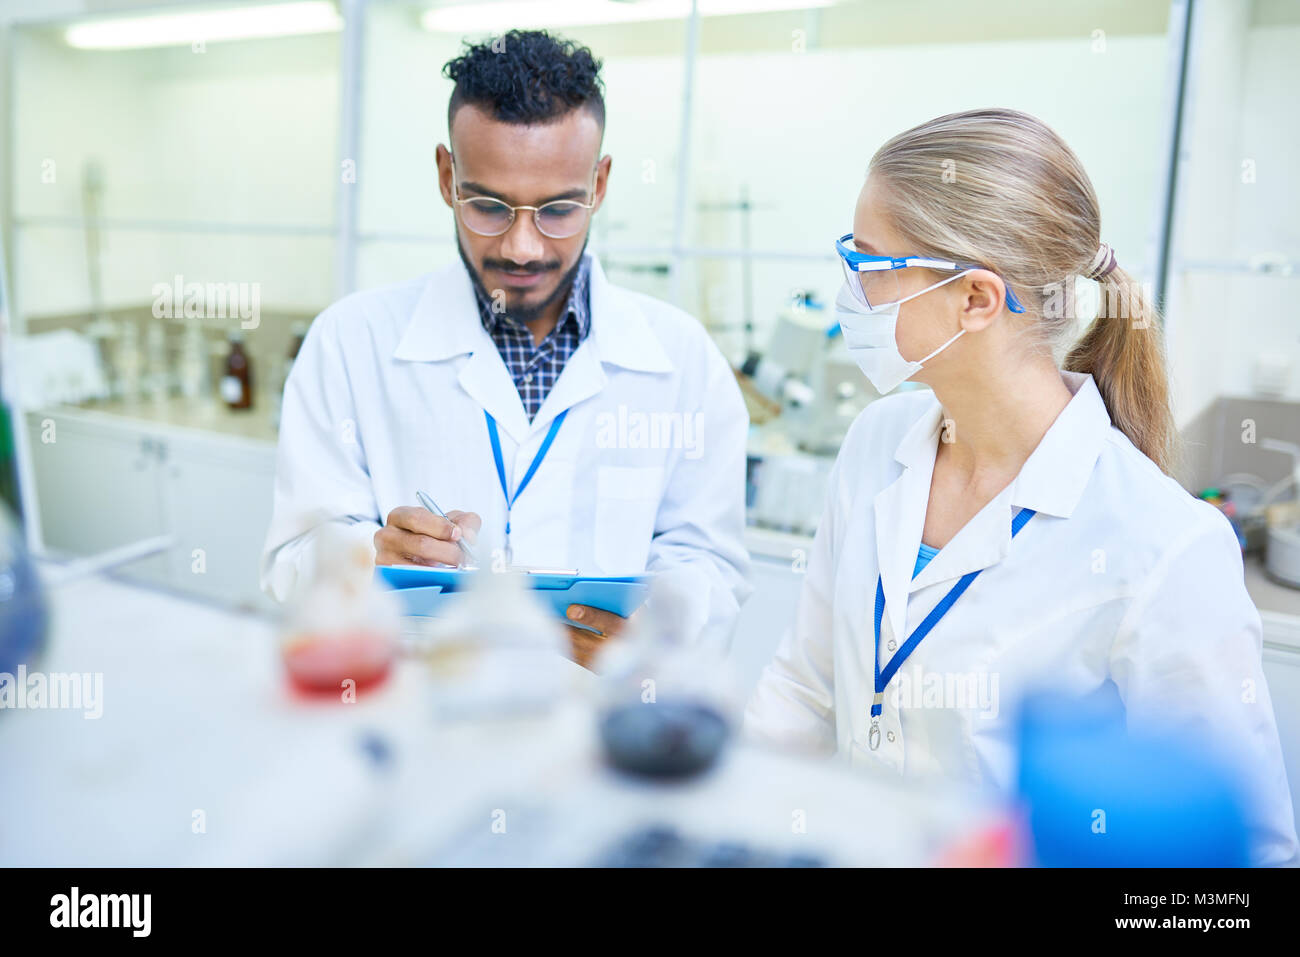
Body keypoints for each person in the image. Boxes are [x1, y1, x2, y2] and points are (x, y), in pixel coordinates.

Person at [743, 108, 1298, 866]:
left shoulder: (1162, 546)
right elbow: (806, 690)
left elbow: (1245, 861)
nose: (850, 292)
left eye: (868, 267)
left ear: (975, 298)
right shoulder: (875, 444)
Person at [260, 31, 750, 666]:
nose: (523, 247)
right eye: (489, 206)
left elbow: (712, 566)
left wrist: (655, 631)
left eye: (558, 209)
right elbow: (290, 563)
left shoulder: (684, 361)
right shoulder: (349, 343)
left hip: (596, 729)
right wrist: (367, 559)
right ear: (447, 176)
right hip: (417, 719)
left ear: (598, 184)